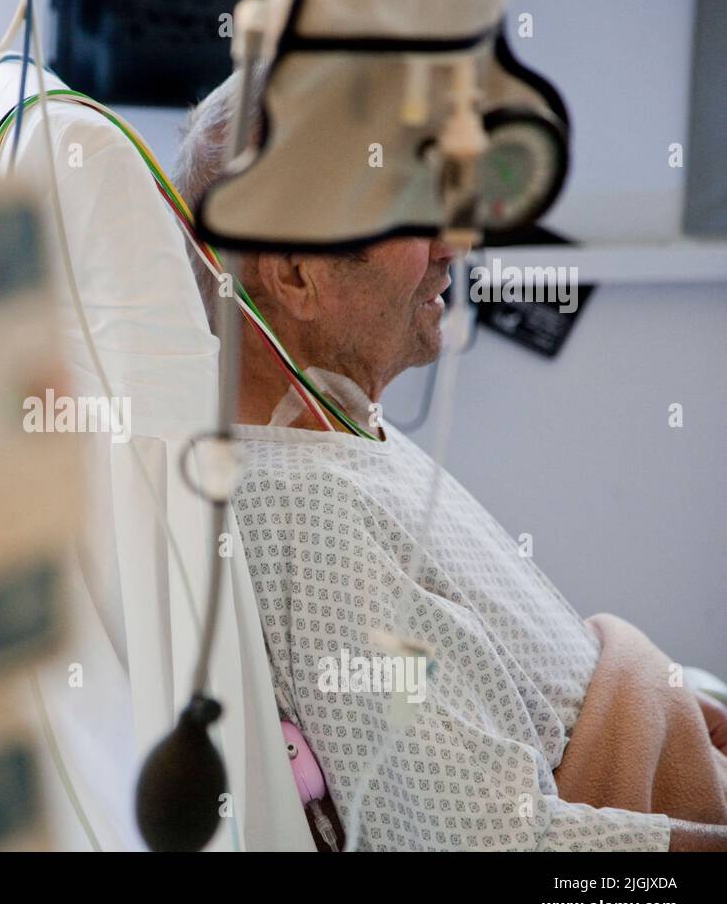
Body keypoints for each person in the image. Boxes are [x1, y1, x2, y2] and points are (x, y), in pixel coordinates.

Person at [174, 72, 727, 851]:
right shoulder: (311, 515)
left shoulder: (339, 430)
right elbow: (490, 847)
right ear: (294, 273)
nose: (455, 244)